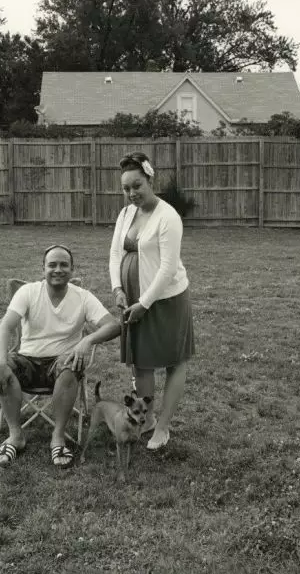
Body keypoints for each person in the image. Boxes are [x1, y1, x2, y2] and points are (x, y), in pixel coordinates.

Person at [0, 245, 120, 467]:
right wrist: (0, 362)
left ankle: (58, 436)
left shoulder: (83, 297)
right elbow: (5, 328)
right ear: (43, 269)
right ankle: (15, 435)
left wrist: (85, 341)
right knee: (6, 366)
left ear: (72, 269)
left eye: (63, 265)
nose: (57, 269)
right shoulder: (28, 292)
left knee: (71, 367)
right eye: (52, 265)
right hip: (27, 360)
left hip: (62, 363)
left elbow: (114, 325)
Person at [109, 152, 194, 450]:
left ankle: (164, 427)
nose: (132, 193)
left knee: (174, 362)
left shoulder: (168, 216)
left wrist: (145, 303)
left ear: (149, 180)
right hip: (133, 300)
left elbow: (168, 267)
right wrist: (117, 288)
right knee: (141, 364)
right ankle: (147, 421)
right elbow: (116, 255)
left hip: (166, 301)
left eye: (137, 185)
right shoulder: (125, 215)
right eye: (126, 188)